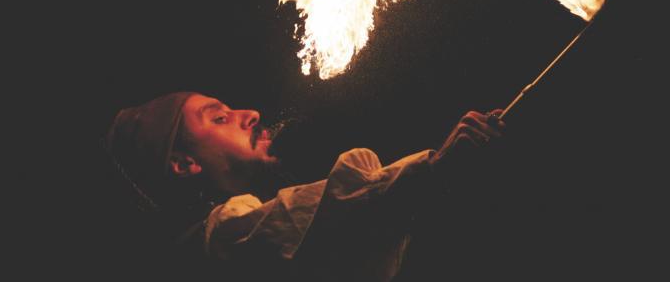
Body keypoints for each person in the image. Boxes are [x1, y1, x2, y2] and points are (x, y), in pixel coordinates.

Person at [105, 91, 505, 281]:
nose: (250, 113)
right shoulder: (217, 239)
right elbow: (340, 214)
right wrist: (434, 169)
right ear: (182, 163)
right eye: (220, 119)